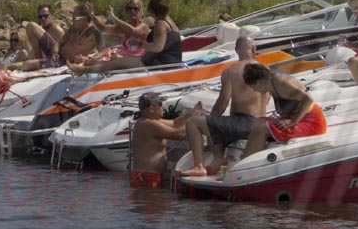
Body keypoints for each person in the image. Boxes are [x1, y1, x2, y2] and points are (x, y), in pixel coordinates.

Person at [179, 35, 269, 177]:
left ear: (236, 50)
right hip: (259, 123)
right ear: (254, 49)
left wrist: (209, 118)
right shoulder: (266, 70)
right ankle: (218, 159)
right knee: (215, 122)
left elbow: (223, 102)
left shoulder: (232, 71)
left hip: (243, 123)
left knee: (194, 122)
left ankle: (198, 166)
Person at [240, 61, 327, 157]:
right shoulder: (271, 84)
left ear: (259, 82)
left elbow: (308, 99)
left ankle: (249, 159)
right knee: (258, 122)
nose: (254, 90)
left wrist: (292, 121)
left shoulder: (281, 83)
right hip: (300, 120)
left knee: (262, 126)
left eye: (253, 87)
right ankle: (248, 156)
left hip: (311, 124)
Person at [128, 92, 200, 187]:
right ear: (152, 108)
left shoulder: (151, 121)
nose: (163, 108)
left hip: (150, 175)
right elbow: (177, 134)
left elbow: (175, 123)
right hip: (147, 176)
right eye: (161, 105)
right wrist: (195, 122)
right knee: (152, 201)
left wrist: (192, 114)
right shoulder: (148, 124)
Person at [68, 0, 150, 75]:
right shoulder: (124, 27)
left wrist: (114, 18)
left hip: (136, 59)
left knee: (115, 59)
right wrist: (92, 15)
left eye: (135, 9)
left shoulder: (143, 26)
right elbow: (102, 28)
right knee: (92, 61)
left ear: (140, 11)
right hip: (124, 57)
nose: (132, 11)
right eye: (129, 8)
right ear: (126, 11)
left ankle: (82, 70)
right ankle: (87, 61)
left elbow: (133, 31)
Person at [139, 0, 182, 67]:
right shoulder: (168, 20)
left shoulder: (160, 24)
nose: (150, 15)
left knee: (118, 62)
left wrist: (139, 44)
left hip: (162, 64)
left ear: (153, 11)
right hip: (174, 61)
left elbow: (157, 47)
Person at [21, 4, 64, 69]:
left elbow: (62, 51)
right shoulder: (41, 30)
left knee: (31, 26)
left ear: (52, 16)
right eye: (40, 17)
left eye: (46, 16)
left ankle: (38, 59)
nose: (43, 18)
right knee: (23, 63)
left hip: (54, 59)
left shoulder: (57, 30)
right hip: (46, 58)